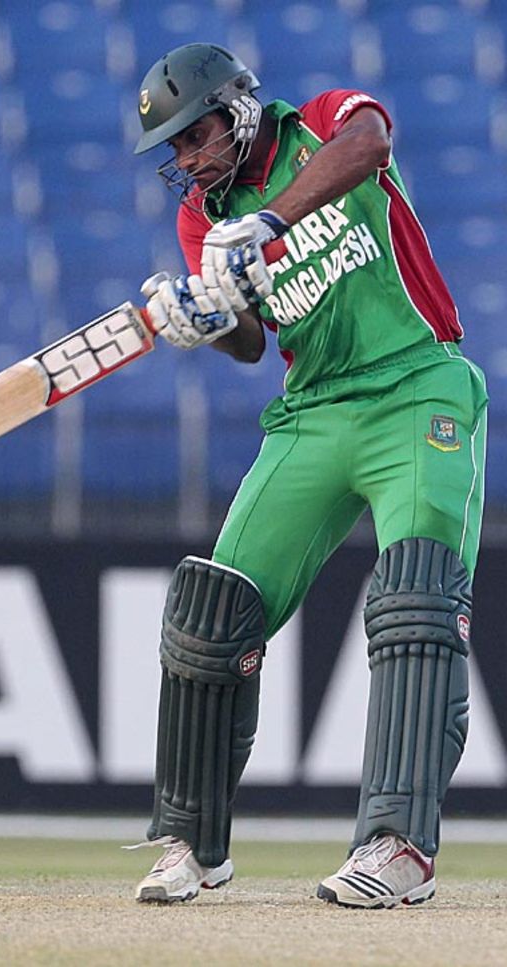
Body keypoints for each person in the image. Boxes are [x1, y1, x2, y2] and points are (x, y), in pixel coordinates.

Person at [128, 44, 486, 908]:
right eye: (174, 151)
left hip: (416, 381)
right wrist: (204, 316)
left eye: (195, 135)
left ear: (239, 108)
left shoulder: (322, 121)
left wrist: (273, 221)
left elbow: (369, 142)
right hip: (314, 410)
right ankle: (192, 843)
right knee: (212, 613)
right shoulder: (203, 220)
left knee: (417, 600)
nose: (187, 161)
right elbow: (252, 341)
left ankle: (398, 846)